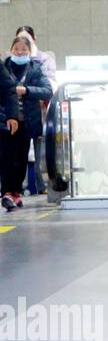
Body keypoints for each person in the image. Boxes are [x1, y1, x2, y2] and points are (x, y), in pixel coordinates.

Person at [1, 34, 52, 211]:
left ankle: (15, 192)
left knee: (21, 158)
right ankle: (7, 192)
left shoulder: (35, 69)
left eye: (24, 50)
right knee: (7, 157)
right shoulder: (4, 67)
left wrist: (27, 90)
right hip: (6, 120)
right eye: (16, 49)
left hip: (27, 121)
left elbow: (47, 91)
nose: (20, 53)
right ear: (10, 50)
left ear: (30, 52)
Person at [14, 26, 55, 195]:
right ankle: (17, 188)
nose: (21, 49)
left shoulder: (42, 61)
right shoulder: (9, 63)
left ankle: (43, 185)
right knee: (17, 155)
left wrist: (27, 90)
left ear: (33, 40)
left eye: (26, 43)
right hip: (17, 116)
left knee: (41, 153)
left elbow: (49, 86)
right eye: (18, 44)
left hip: (40, 112)